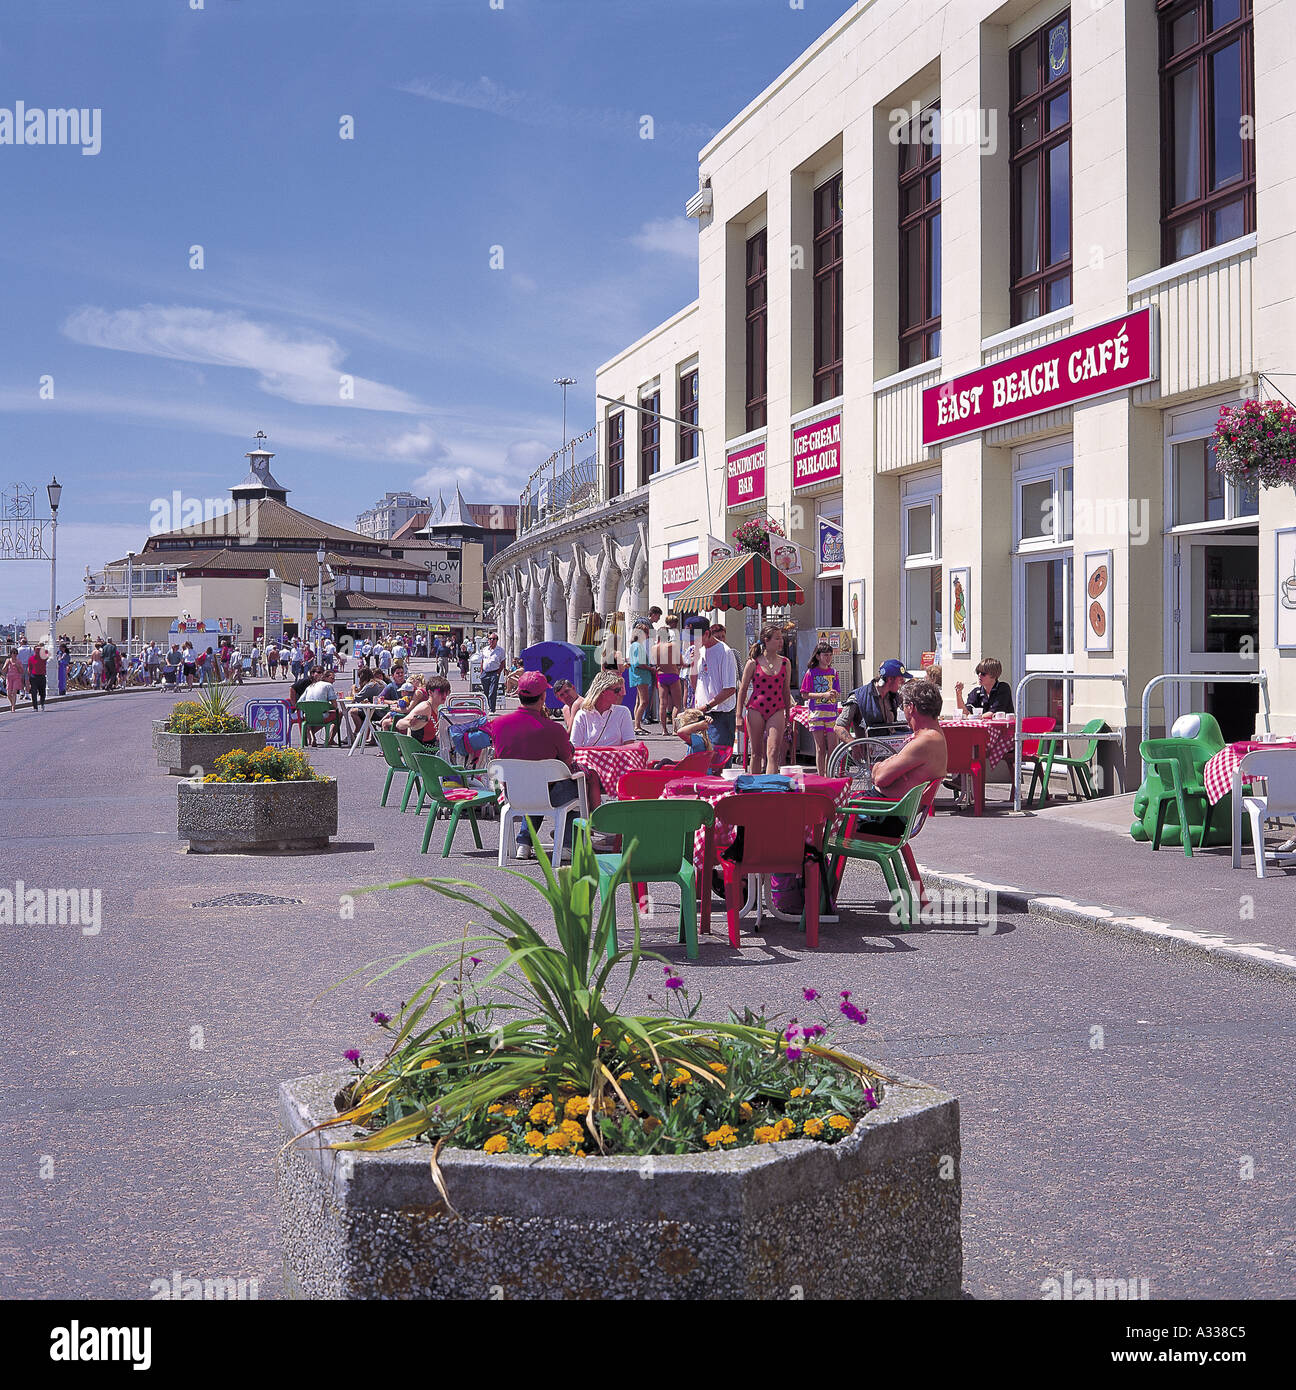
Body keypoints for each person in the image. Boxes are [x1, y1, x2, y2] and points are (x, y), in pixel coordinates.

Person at [487, 671, 581, 860]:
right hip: (547, 793)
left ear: (518, 693)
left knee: (534, 785)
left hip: (514, 794)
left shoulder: (496, 724)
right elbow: (567, 761)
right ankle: (567, 845)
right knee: (577, 787)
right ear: (543, 697)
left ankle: (524, 842)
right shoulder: (555, 730)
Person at [852, 679, 949, 838]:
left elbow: (880, 778)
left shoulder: (925, 741)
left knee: (819, 817)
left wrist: (879, 767)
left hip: (884, 815)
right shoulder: (932, 736)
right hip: (888, 812)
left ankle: (815, 862)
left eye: (902, 705)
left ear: (911, 707)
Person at [737, 624, 792, 774]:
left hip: (777, 708)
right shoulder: (753, 663)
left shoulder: (785, 662)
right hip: (756, 708)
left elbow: (786, 691)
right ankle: (754, 789)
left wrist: (788, 714)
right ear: (766, 641)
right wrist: (738, 716)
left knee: (774, 752)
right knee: (756, 753)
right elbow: (742, 690)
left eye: (781, 638)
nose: (781, 642)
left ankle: (771, 788)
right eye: (777, 638)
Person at [835, 658, 910, 747]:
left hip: (891, 746)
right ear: (890, 679)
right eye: (901, 679)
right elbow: (838, 727)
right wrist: (855, 746)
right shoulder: (858, 697)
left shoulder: (893, 696)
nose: (903, 682)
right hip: (871, 752)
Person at [693, 623, 739, 750]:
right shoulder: (700, 650)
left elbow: (730, 689)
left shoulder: (725, 651)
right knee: (703, 759)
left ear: (707, 634)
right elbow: (696, 683)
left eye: (696, 638)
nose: (693, 642)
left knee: (719, 760)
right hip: (702, 714)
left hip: (719, 715)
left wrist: (707, 706)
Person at [799, 642, 842, 774]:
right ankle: (821, 774)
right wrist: (823, 694)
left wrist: (834, 694)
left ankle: (830, 774)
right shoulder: (811, 673)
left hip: (831, 713)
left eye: (830, 655)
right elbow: (804, 694)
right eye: (825, 655)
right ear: (818, 656)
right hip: (816, 713)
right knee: (820, 748)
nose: (828, 658)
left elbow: (838, 691)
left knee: (833, 747)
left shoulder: (834, 672)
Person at [570, 670, 636, 750]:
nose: (620, 694)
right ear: (603, 691)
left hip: (616, 760)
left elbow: (629, 746)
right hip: (590, 761)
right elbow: (575, 748)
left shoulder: (623, 712)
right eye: (617, 690)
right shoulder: (582, 715)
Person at [299, 666, 344, 746]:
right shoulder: (328, 686)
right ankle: (330, 739)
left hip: (308, 716)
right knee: (339, 714)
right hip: (322, 716)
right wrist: (327, 706)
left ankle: (312, 737)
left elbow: (300, 702)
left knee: (315, 715)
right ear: (326, 677)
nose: (333, 681)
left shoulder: (310, 686)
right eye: (332, 678)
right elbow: (335, 705)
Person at [653, 615, 684, 735]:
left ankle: (664, 730)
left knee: (663, 703)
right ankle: (675, 729)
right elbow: (680, 662)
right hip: (673, 674)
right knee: (677, 704)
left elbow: (656, 663)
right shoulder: (673, 646)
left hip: (661, 676)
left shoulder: (654, 648)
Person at [627, 621, 653, 735]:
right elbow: (639, 663)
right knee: (644, 701)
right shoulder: (638, 646)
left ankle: (637, 724)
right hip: (641, 676)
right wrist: (651, 669)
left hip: (637, 676)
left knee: (639, 701)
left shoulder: (634, 645)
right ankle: (637, 726)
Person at [479, 632, 506, 711]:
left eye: (493, 639)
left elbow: (503, 662)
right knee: (486, 692)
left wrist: (498, 673)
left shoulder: (500, 650)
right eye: (490, 639)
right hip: (485, 672)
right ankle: (486, 707)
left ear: (497, 640)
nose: (491, 640)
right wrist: (481, 671)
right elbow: (482, 660)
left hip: (494, 672)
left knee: (492, 691)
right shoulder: (485, 649)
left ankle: (492, 709)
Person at [27, 641, 49, 711]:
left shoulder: (43, 657)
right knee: (34, 692)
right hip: (34, 676)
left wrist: (42, 648)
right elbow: (29, 668)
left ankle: (42, 703)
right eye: (37, 649)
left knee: (42, 692)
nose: (37, 651)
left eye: (39, 650)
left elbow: (48, 653)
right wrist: (29, 677)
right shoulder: (31, 658)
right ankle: (35, 707)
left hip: (42, 676)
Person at [3, 649, 23, 713]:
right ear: (11, 654)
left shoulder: (19, 661)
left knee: (14, 692)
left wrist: (17, 666)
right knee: (8, 694)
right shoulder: (8, 660)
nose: (15, 655)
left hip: (16, 677)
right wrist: (6, 664)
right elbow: (3, 670)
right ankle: (12, 704)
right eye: (13, 653)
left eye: (16, 653)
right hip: (9, 678)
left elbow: (21, 671)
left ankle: (13, 707)